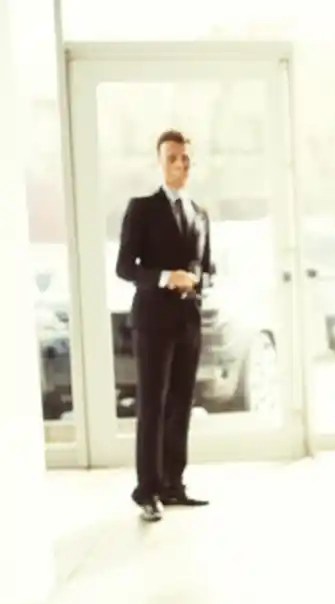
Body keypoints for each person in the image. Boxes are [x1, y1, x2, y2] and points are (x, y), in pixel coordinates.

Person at [115, 129, 213, 522]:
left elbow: (208, 269)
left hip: (188, 321)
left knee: (181, 406)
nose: (180, 164)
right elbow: (125, 267)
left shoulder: (200, 213)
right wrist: (163, 277)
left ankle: (174, 484)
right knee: (153, 406)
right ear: (160, 161)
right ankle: (147, 491)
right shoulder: (142, 208)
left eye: (186, 158)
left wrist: (197, 280)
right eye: (173, 157)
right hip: (153, 321)